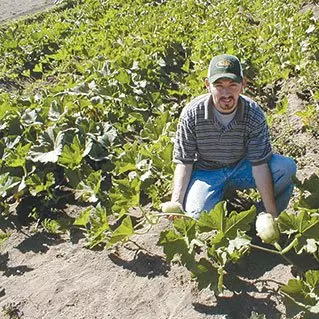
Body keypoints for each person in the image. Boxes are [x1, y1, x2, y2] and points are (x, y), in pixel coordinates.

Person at [169, 54, 296, 220]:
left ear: (243, 84)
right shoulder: (192, 114)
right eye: (219, 85)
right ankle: (217, 194)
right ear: (208, 85)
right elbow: (184, 161)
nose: (226, 93)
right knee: (196, 216)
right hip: (207, 173)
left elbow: (259, 164)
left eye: (233, 85)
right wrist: (176, 202)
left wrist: (271, 213)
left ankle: (262, 215)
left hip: (241, 167)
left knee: (286, 168)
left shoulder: (253, 114)